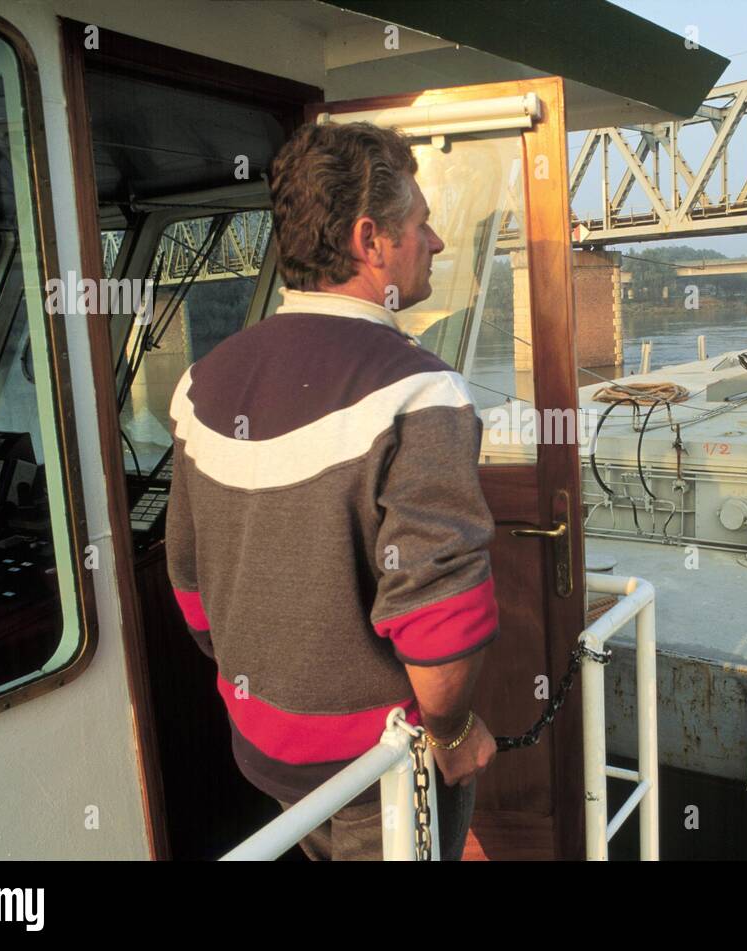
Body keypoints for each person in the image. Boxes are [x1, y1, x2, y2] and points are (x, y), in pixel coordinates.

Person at [165, 121, 499, 861]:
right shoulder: (420, 391)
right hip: (378, 770)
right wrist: (453, 735)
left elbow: (191, 590)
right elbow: (441, 629)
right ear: (370, 240)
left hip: (262, 749)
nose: (437, 242)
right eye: (421, 224)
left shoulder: (202, 382)